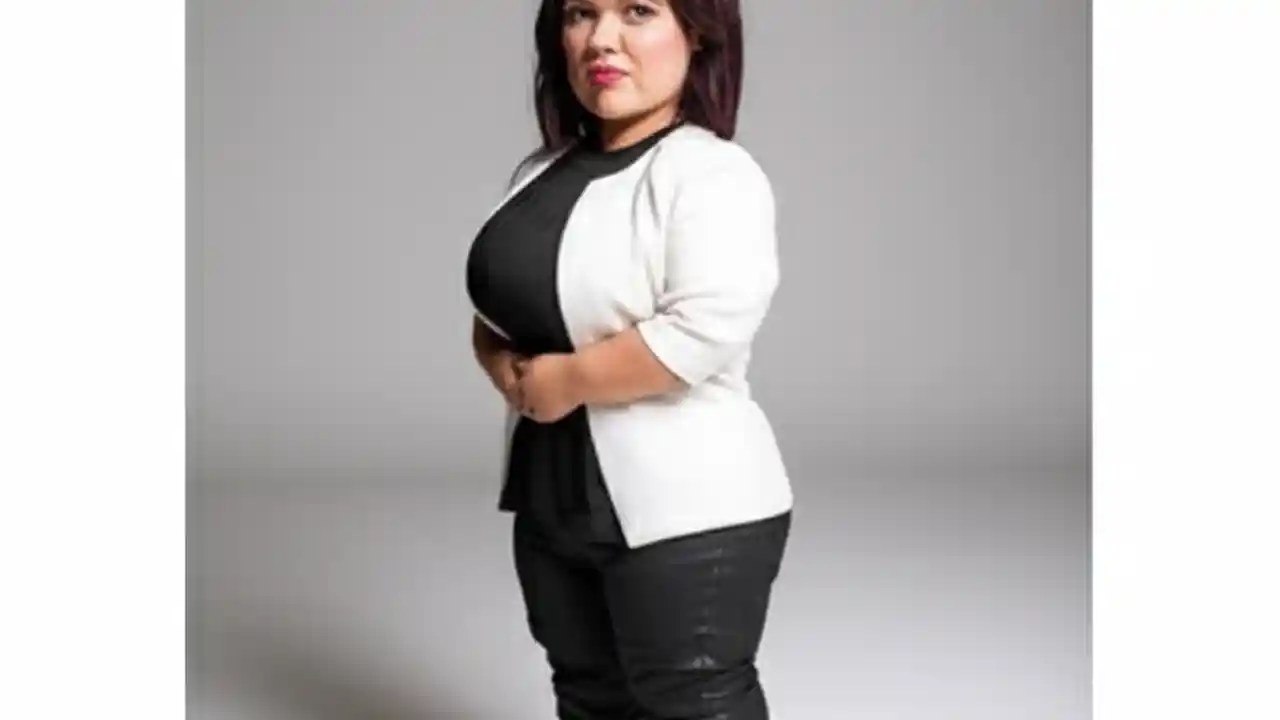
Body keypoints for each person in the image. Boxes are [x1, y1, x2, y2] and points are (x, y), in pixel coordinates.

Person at [465, 1, 793, 717]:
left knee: (691, 700)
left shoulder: (713, 174)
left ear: (697, 35)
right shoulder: (539, 172)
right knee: (589, 697)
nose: (601, 39)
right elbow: (495, 307)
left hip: (690, 510)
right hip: (553, 497)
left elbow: (705, 327)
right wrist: (512, 377)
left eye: (637, 11)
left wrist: (563, 382)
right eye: (581, 13)